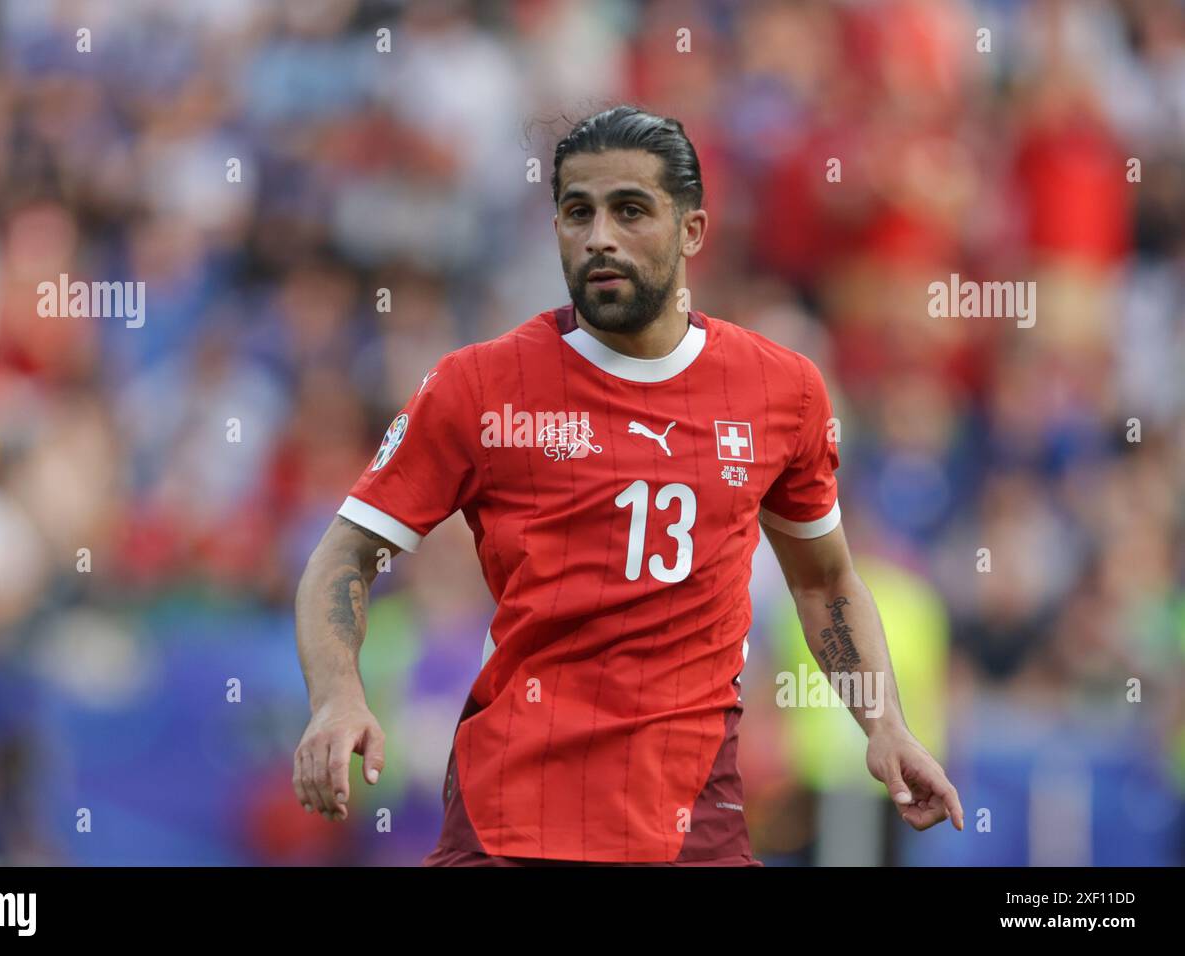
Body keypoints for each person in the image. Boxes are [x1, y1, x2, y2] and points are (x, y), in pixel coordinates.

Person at [293, 105, 963, 866]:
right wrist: (337, 697)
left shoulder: (782, 391)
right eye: (577, 211)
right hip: (514, 818)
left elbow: (824, 582)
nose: (599, 235)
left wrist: (883, 725)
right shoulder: (478, 387)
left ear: (693, 231)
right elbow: (344, 555)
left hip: (692, 825)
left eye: (630, 209)